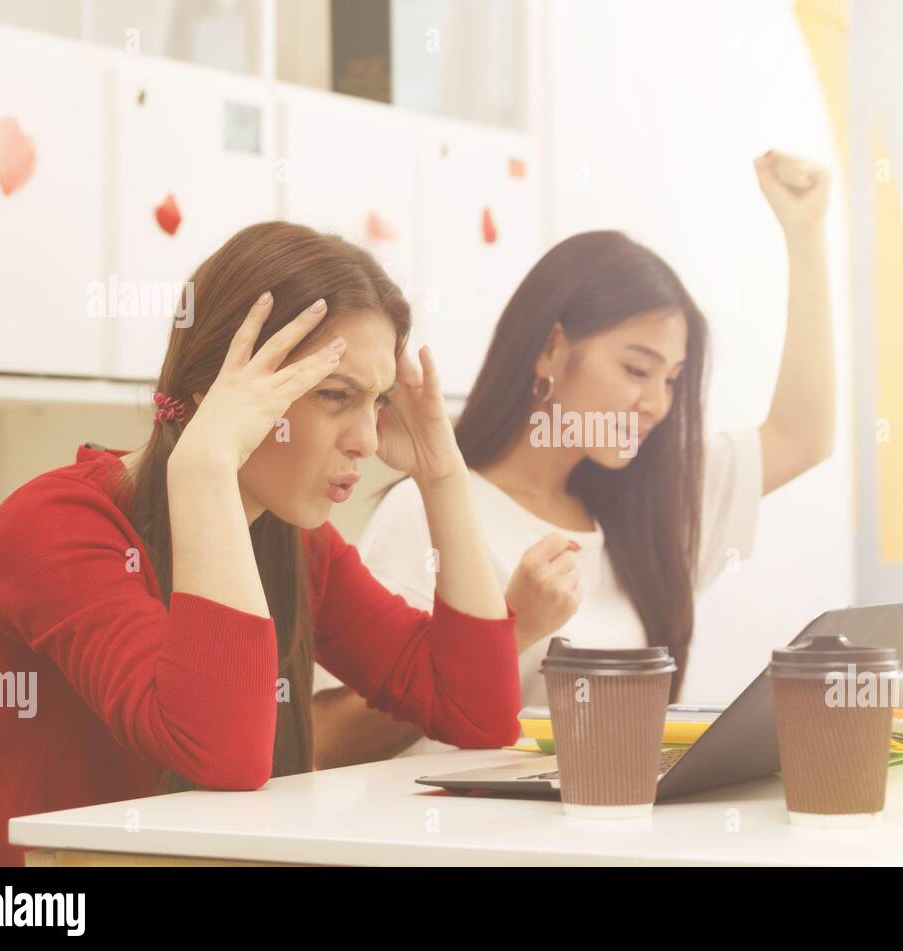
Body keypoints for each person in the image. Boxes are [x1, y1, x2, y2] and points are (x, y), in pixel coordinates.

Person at [0, 222, 520, 865]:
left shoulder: (294, 539)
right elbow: (222, 753)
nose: (368, 441)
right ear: (214, 394)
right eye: (333, 395)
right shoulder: (55, 528)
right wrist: (205, 463)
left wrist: (443, 471)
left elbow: (479, 714)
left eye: (376, 402)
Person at [312, 151, 834, 768]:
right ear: (552, 348)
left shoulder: (648, 508)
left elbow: (803, 435)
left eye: (672, 379)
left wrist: (804, 233)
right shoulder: (429, 510)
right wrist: (510, 631)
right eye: (637, 369)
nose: (656, 404)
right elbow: (330, 742)